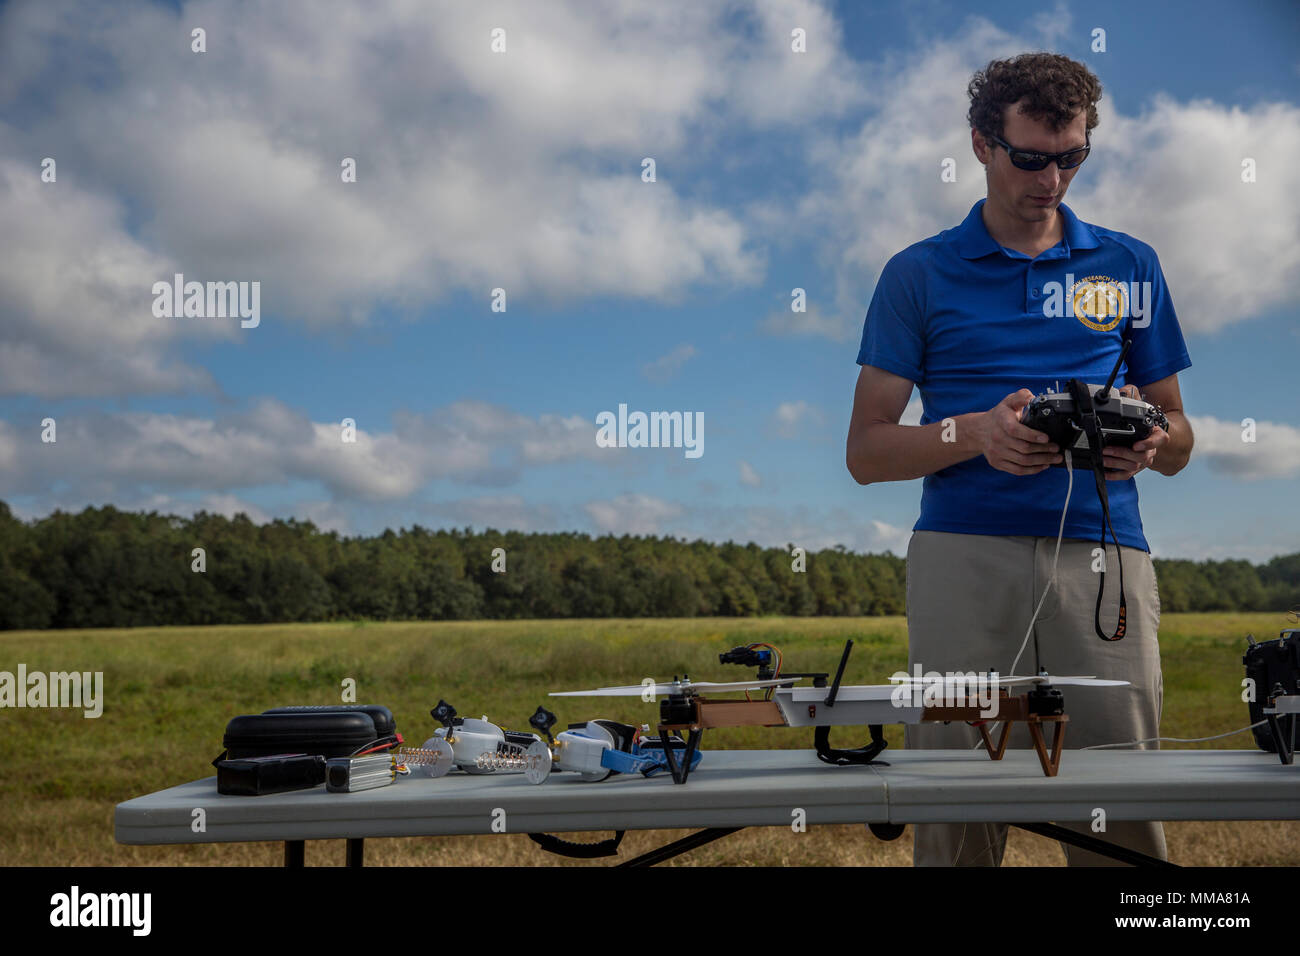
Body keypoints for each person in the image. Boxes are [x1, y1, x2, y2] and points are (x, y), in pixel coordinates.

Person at [845, 52, 1194, 866]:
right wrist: (971, 434)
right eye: (1032, 158)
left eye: (1072, 158)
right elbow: (865, 451)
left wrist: (1148, 437)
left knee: (1120, 811)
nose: (1052, 180)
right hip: (963, 559)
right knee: (956, 811)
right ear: (980, 144)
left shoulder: (1130, 264)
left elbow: (1180, 438)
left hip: (1105, 561)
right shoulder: (918, 273)